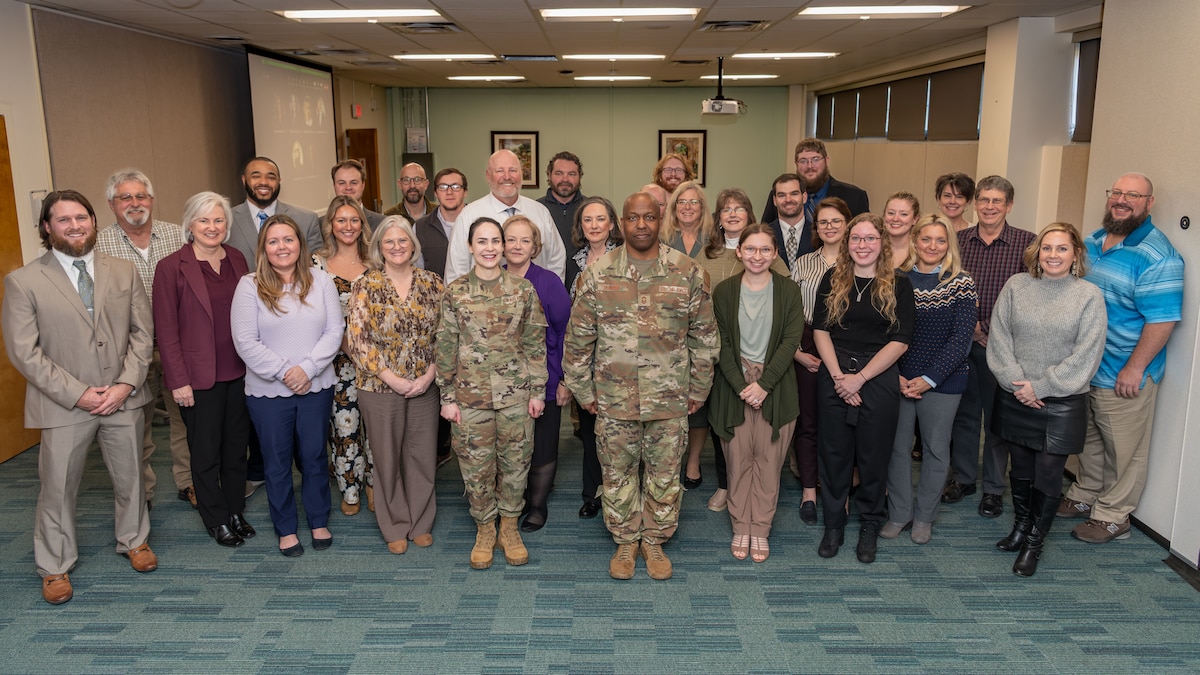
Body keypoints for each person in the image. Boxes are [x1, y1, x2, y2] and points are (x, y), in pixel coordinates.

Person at [3, 190, 157, 605]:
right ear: (47, 227)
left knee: (131, 477)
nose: (75, 226)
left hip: (123, 396)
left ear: (93, 221)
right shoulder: (23, 281)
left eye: (81, 217)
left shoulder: (124, 271)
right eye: (64, 219)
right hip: (64, 403)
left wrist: (125, 384)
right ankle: (54, 565)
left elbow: (144, 334)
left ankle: (134, 540)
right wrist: (80, 394)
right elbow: (24, 352)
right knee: (57, 486)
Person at [563, 192, 718, 581]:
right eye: (634, 218)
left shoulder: (687, 271)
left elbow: (704, 338)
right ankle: (626, 539)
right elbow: (578, 341)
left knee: (665, 473)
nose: (642, 225)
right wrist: (585, 393)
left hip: (669, 399)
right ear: (621, 224)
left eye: (649, 217)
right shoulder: (597, 275)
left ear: (658, 219)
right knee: (617, 473)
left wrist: (698, 390)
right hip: (613, 401)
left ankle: (654, 539)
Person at [1060, 173, 1185, 544]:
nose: (1122, 199)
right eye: (1117, 192)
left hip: (1124, 372)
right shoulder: (1094, 240)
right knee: (1092, 440)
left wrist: (1135, 367)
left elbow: (1163, 321)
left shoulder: (1158, 255)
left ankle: (1114, 516)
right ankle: (1085, 496)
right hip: (1090, 368)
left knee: (1125, 451)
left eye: (1133, 194)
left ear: (1149, 203)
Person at [988, 223, 1106, 575]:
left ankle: (1035, 542)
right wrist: (1017, 383)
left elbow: (1087, 355)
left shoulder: (1088, 296)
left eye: (1062, 249)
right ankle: (1021, 528)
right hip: (1015, 392)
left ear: (1076, 255)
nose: (1053, 255)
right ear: (1037, 252)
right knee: (1020, 467)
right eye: (1047, 248)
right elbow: (999, 337)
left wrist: (1039, 388)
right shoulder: (1016, 286)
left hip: (1061, 401)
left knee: (1049, 470)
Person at [436, 217, 547, 569]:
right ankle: (485, 527)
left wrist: (537, 391)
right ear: (470, 247)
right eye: (481, 241)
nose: (489, 248)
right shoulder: (454, 292)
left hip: (516, 394)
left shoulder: (523, 290)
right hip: (470, 399)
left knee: (516, 465)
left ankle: (509, 526)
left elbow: (534, 343)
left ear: (503, 247)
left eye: (495, 241)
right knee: (476, 467)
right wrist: (447, 397)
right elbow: (445, 345)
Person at [231, 215, 344, 557]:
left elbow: (335, 331)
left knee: (313, 457)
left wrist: (307, 369)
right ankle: (285, 528)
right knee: (276, 461)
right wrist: (285, 372)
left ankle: (318, 519)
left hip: (316, 386)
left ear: (300, 244)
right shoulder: (249, 285)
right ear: (263, 248)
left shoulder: (321, 281)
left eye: (289, 240)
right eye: (274, 241)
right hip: (268, 393)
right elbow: (245, 341)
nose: (282, 247)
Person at [812, 213, 915, 564]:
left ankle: (870, 524)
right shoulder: (832, 278)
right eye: (856, 238)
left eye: (870, 238)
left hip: (878, 375)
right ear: (847, 243)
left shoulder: (899, 284)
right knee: (835, 455)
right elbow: (821, 331)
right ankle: (834, 524)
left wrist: (860, 378)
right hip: (835, 372)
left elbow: (900, 341)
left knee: (873, 457)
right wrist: (841, 377)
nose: (862, 245)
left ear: (882, 243)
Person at [153, 191, 254, 547]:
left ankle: (235, 509)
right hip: (198, 379)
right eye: (204, 220)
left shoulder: (238, 259)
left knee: (235, 450)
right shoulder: (171, 266)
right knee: (205, 452)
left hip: (240, 373)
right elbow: (165, 330)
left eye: (218, 220)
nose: (212, 227)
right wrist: (178, 380)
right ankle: (215, 518)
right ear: (189, 225)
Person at [95, 168, 191, 511]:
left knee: (186, 417)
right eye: (125, 197)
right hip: (129, 349)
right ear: (111, 204)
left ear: (151, 200)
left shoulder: (177, 235)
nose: (135, 203)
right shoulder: (98, 245)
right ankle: (143, 494)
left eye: (141, 196)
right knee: (137, 423)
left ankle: (189, 482)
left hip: (178, 344)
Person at [347, 216, 444, 554]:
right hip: (379, 387)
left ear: (413, 245)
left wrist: (429, 375)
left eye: (402, 240)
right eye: (389, 242)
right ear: (379, 248)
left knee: (421, 456)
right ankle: (395, 525)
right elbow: (358, 339)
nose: (396, 246)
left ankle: (420, 522)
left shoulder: (433, 283)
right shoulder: (366, 284)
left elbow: (445, 336)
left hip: (424, 385)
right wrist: (391, 378)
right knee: (386, 458)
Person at [708, 223, 804, 562]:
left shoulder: (790, 291)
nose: (757, 256)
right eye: (751, 249)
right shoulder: (723, 291)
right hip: (734, 384)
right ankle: (740, 526)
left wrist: (764, 385)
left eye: (765, 249)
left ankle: (759, 529)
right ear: (739, 251)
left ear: (775, 253)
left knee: (767, 461)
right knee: (737, 461)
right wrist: (742, 386)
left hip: (775, 386)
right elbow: (721, 344)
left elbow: (791, 341)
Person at [881, 215, 976, 545]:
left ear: (949, 244)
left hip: (944, 382)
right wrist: (898, 375)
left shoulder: (961, 283)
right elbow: (887, 331)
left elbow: (961, 340)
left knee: (936, 450)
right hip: (898, 378)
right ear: (914, 240)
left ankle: (924, 517)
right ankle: (899, 513)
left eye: (940, 240)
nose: (932, 246)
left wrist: (928, 378)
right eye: (926, 239)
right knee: (896, 448)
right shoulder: (895, 279)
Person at [945, 176, 1035, 518]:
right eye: (984, 200)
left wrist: (991, 330)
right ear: (975, 203)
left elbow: (1030, 297)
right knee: (964, 416)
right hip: (960, 343)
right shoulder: (958, 240)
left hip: (1003, 348)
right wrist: (970, 328)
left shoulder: (1027, 243)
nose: (989, 207)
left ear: (1009, 205)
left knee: (997, 421)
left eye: (997, 201)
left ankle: (995, 489)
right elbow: (947, 284)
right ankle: (965, 478)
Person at [697, 188, 789, 512]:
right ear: (718, 218)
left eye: (740, 208)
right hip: (716, 351)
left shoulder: (765, 253)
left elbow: (787, 311)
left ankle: (755, 495)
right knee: (722, 423)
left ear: (750, 215)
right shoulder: (706, 254)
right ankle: (726, 485)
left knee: (760, 434)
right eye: (726, 209)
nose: (732, 214)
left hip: (760, 357)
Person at [502, 216, 571, 532]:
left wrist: (564, 380)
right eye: (510, 239)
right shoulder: (490, 279)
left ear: (535, 246)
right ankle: (509, 502)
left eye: (524, 240)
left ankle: (537, 505)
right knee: (507, 448)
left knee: (542, 446)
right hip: (501, 385)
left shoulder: (548, 282)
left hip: (544, 380)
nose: (517, 246)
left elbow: (567, 331)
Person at [790, 197, 852, 525]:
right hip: (808, 346)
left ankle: (836, 491)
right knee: (808, 422)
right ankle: (809, 492)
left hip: (846, 347)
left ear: (848, 224)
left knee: (840, 425)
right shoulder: (803, 264)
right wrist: (798, 353)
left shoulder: (859, 262)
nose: (829, 227)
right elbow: (789, 312)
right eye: (823, 222)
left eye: (835, 221)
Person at [311, 196, 374, 517]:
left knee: (378, 426)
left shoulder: (377, 262)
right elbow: (311, 316)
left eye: (354, 220)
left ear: (362, 224)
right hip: (336, 363)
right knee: (344, 427)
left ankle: (377, 484)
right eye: (341, 220)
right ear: (330, 225)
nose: (348, 226)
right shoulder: (315, 264)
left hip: (377, 363)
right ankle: (351, 488)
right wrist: (347, 347)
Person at [568, 196, 623, 520]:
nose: (594, 225)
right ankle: (592, 494)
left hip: (619, 361)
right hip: (585, 360)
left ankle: (621, 495)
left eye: (600, 219)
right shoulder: (573, 262)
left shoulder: (626, 259)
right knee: (590, 432)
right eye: (588, 220)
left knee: (621, 436)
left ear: (612, 224)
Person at [661, 181, 716, 492]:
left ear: (702, 207)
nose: (687, 207)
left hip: (703, 324)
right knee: (669, 399)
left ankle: (693, 460)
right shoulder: (662, 239)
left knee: (699, 398)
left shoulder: (714, 241)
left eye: (694, 202)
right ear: (674, 207)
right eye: (682, 202)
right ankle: (668, 460)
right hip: (669, 328)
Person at [445, 150, 567, 283]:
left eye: (513, 170)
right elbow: (456, 270)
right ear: (488, 175)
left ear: (521, 174)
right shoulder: (469, 215)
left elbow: (556, 258)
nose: (507, 176)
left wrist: (551, 290)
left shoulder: (540, 212)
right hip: (485, 300)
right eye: (500, 171)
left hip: (537, 299)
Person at [228, 156, 323, 267]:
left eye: (271, 177)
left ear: (279, 181)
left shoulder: (307, 220)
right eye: (256, 176)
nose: (263, 182)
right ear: (244, 180)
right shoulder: (226, 221)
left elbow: (315, 267)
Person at [761, 138, 869, 225]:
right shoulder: (782, 197)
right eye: (803, 161)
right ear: (796, 164)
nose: (810, 166)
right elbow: (766, 232)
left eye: (815, 159)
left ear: (826, 161)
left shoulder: (854, 197)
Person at [414, 168, 468, 278]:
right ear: (435, 193)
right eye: (442, 187)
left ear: (465, 192)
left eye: (456, 187)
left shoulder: (480, 224)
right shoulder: (420, 227)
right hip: (435, 294)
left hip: (475, 293)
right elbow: (417, 273)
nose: (449, 192)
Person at [536, 151, 587, 265]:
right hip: (546, 278)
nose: (565, 179)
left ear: (580, 176)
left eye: (572, 174)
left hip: (583, 278)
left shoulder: (590, 208)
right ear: (549, 175)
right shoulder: (536, 209)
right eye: (559, 173)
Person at [765, 173, 811, 271]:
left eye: (794, 194)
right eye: (782, 195)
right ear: (774, 200)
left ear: (804, 197)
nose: (788, 199)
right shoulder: (764, 234)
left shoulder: (819, 233)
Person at [332, 159, 385, 228]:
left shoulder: (382, 223)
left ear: (363, 186)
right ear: (334, 186)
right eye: (342, 183)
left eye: (354, 183)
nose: (348, 187)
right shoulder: (321, 224)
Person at [884, 191, 920, 268]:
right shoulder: (873, 248)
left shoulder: (922, 251)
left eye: (903, 214)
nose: (895, 219)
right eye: (891, 213)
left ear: (915, 219)